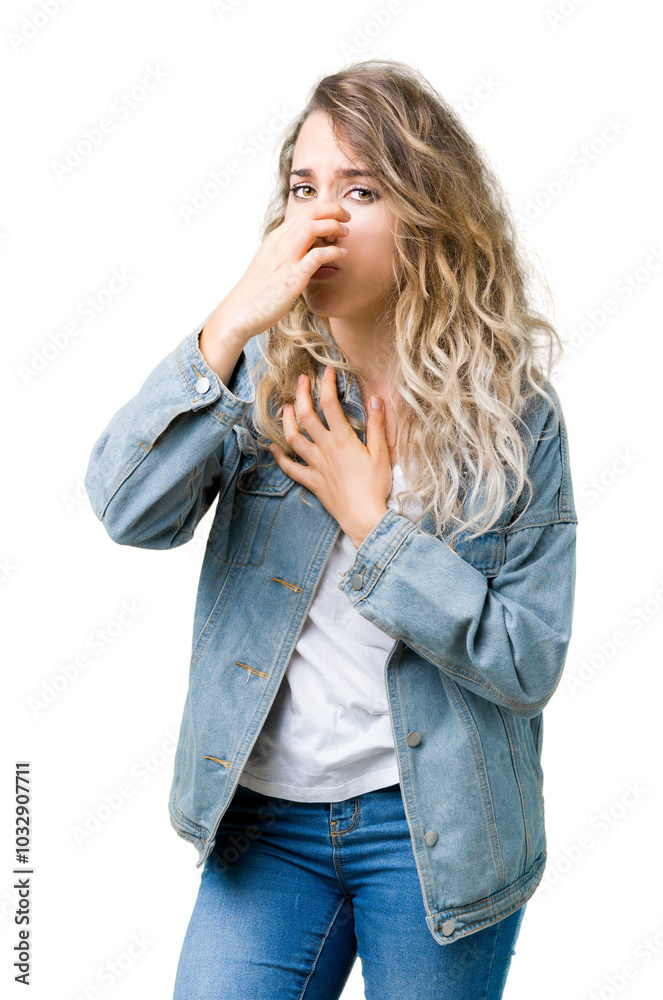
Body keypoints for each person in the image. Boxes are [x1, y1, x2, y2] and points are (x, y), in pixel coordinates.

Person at [84, 58, 578, 1000]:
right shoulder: (260, 371)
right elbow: (125, 509)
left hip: (440, 838)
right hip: (266, 826)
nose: (322, 219)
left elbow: (527, 662)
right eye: (303, 189)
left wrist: (373, 523)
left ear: (430, 219)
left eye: (360, 191)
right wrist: (228, 322)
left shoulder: (516, 416)